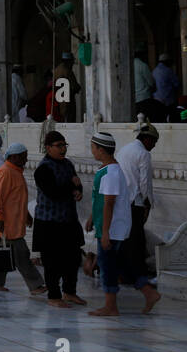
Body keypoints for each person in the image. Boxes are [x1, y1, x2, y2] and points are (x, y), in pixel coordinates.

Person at [88, 132, 160, 317]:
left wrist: (105, 232)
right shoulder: (107, 170)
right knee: (120, 264)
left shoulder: (111, 173)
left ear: (101, 149)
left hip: (113, 228)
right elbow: (100, 199)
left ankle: (111, 306)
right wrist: (91, 218)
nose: (92, 151)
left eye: (93, 147)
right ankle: (148, 292)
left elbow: (109, 203)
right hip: (111, 227)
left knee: (107, 265)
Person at [0, 142, 46, 295]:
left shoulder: (15, 171)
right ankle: (36, 285)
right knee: (22, 255)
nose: (25, 160)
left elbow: (17, 198)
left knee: (5, 252)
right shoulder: (5, 172)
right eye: (23, 157)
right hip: (7, 223)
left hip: (14, 222)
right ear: (13, 157)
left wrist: (26, 215)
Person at [33, 131, 85, 308]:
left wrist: (78, 191)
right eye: (59, 146)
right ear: (48, 148)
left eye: (64, 145)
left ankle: (70, 292)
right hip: (49, 222)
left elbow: (77, 184)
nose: (63, 149)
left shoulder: (68, 164)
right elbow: (52, 192)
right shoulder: (44, 168)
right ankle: (54, 295)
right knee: (52, 261)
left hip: (68, 220)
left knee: (73, 258)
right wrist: (72, 186)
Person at [116, 124, 158, 280]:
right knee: (136, 240)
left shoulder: (124, 150)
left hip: (121, 200)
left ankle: (123, 273)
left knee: (125, 239)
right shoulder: (143, 153)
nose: (154, 146)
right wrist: (148, 204)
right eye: (153, 142)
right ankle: (136, 273)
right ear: (147, 139)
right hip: (135, 202)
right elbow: (144, 183)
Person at [53, 53, 80, 122]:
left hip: (58, 102)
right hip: (67, 103)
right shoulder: (68, 71)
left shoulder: (56, 70)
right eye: (72, 62)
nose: (72, 64)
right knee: (69, 123)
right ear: (68, 61)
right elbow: (75, 87)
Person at [153, 53, 180, 120]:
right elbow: (177, 84)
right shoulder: (168, 71)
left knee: (160, 118)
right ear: (166, 61)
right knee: (171, 118)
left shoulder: (154, 71)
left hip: (157, 100)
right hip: (168, 100)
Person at [133, 48, 158, 120]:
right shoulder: (142, 65)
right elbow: (151, 82)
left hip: (134, 100)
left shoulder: (128, 65)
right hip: (144, 99)